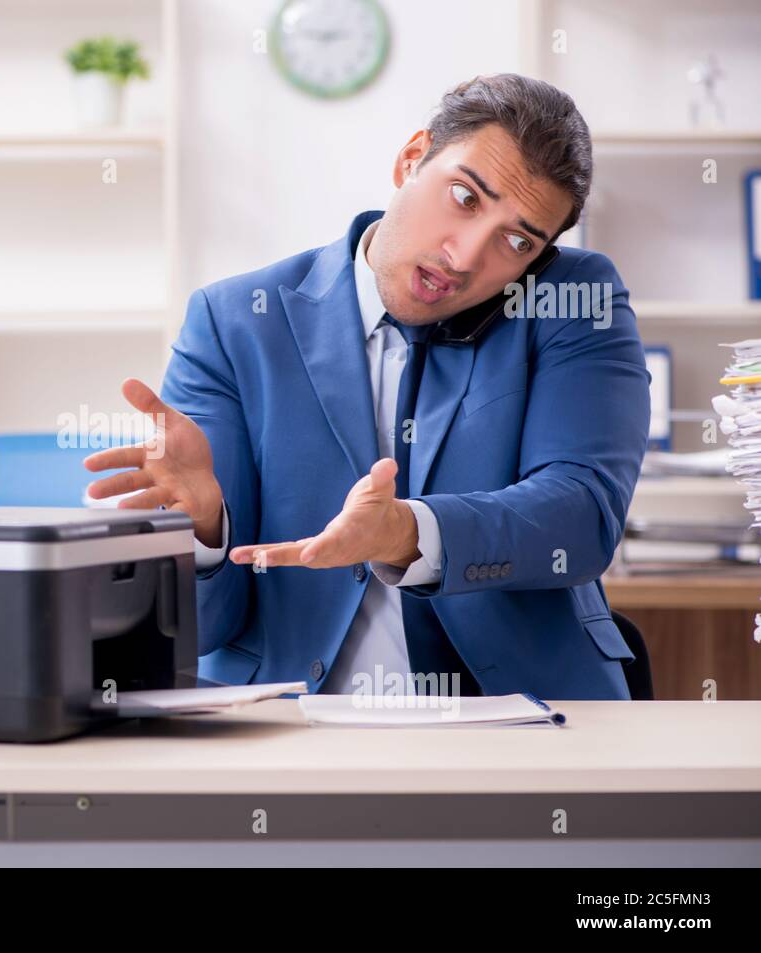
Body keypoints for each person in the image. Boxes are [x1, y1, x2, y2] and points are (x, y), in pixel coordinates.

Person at [84, 74, 649, 699]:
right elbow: (208, 628)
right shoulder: (235, 320)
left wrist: (409, 532)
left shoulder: (571, 299)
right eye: (464, 198)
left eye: (516, 241)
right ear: (412, 159)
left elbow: (581, 513)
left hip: (528, 718)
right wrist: (201, 532)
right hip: (287, 727)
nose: (463, 257)